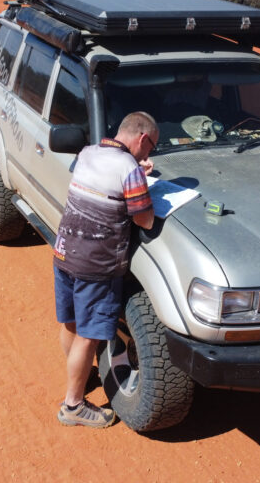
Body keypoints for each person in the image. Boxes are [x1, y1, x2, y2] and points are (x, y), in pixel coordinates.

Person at [52, 111, 158, 428]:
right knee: (89, 336)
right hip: (96, 265)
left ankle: (78, 378)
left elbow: (105, 180)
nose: (148, 153)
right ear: (142, 138)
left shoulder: (89, 153)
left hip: (64, 253)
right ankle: (73, 405)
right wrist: (141, 181)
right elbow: (145, 219)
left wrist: (135, 171)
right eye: (150, 147)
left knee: (70, 323)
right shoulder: (129, 170)